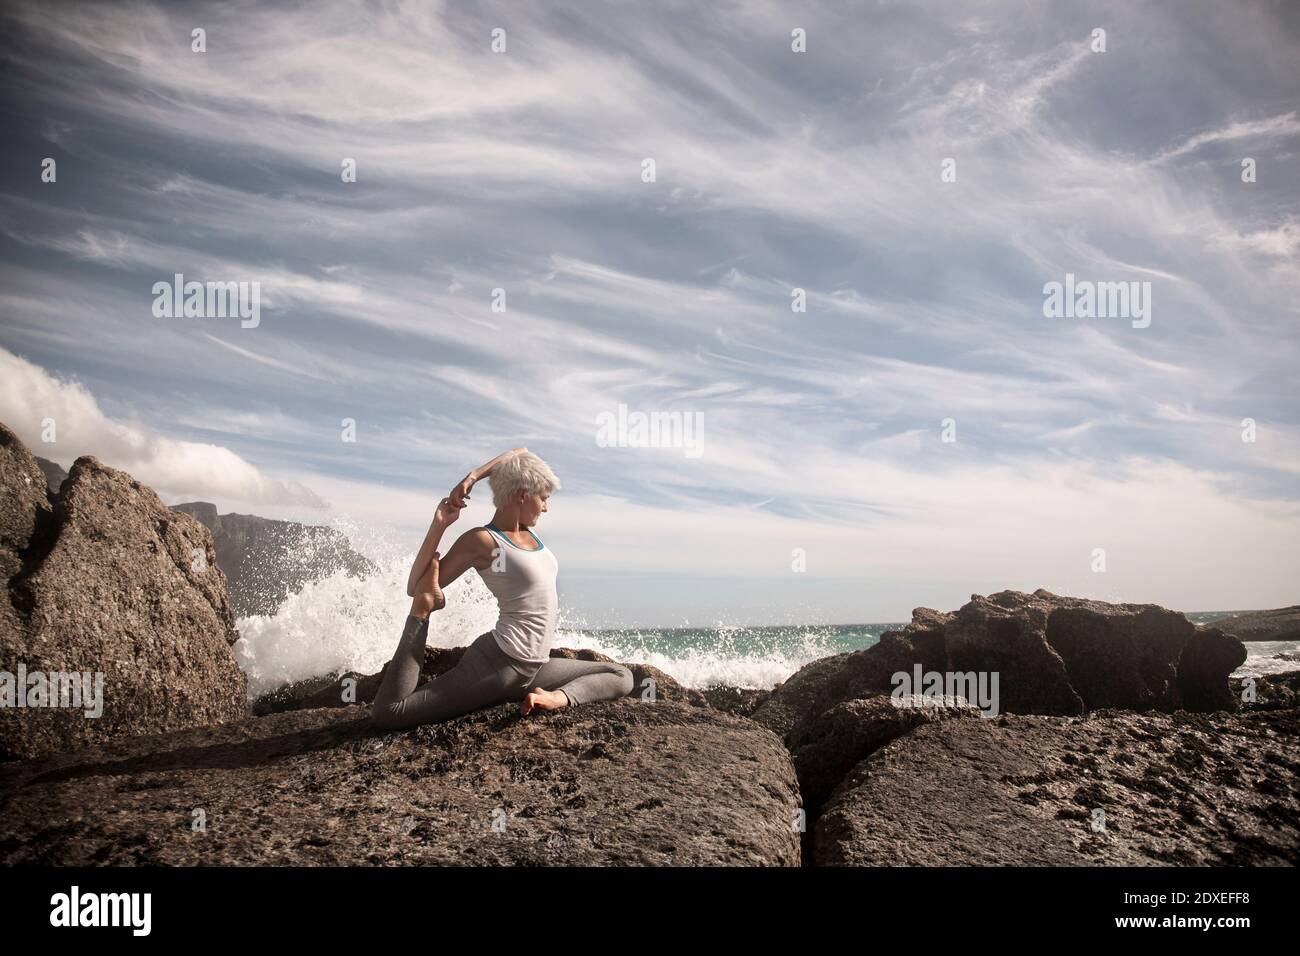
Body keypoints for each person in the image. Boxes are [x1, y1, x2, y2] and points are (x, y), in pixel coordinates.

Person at [371, 448, 634, 730]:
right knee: (391, 713)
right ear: (522, 494)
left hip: (535, 670)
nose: (546, 507)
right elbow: (414, 585)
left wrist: (473, 476)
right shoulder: (483, 541)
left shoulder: (527, 533)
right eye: (543, 498)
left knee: (622, 675)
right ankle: (425, 609)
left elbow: (519, 452)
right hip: (499, 665)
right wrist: (440, 527)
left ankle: (557, 698)